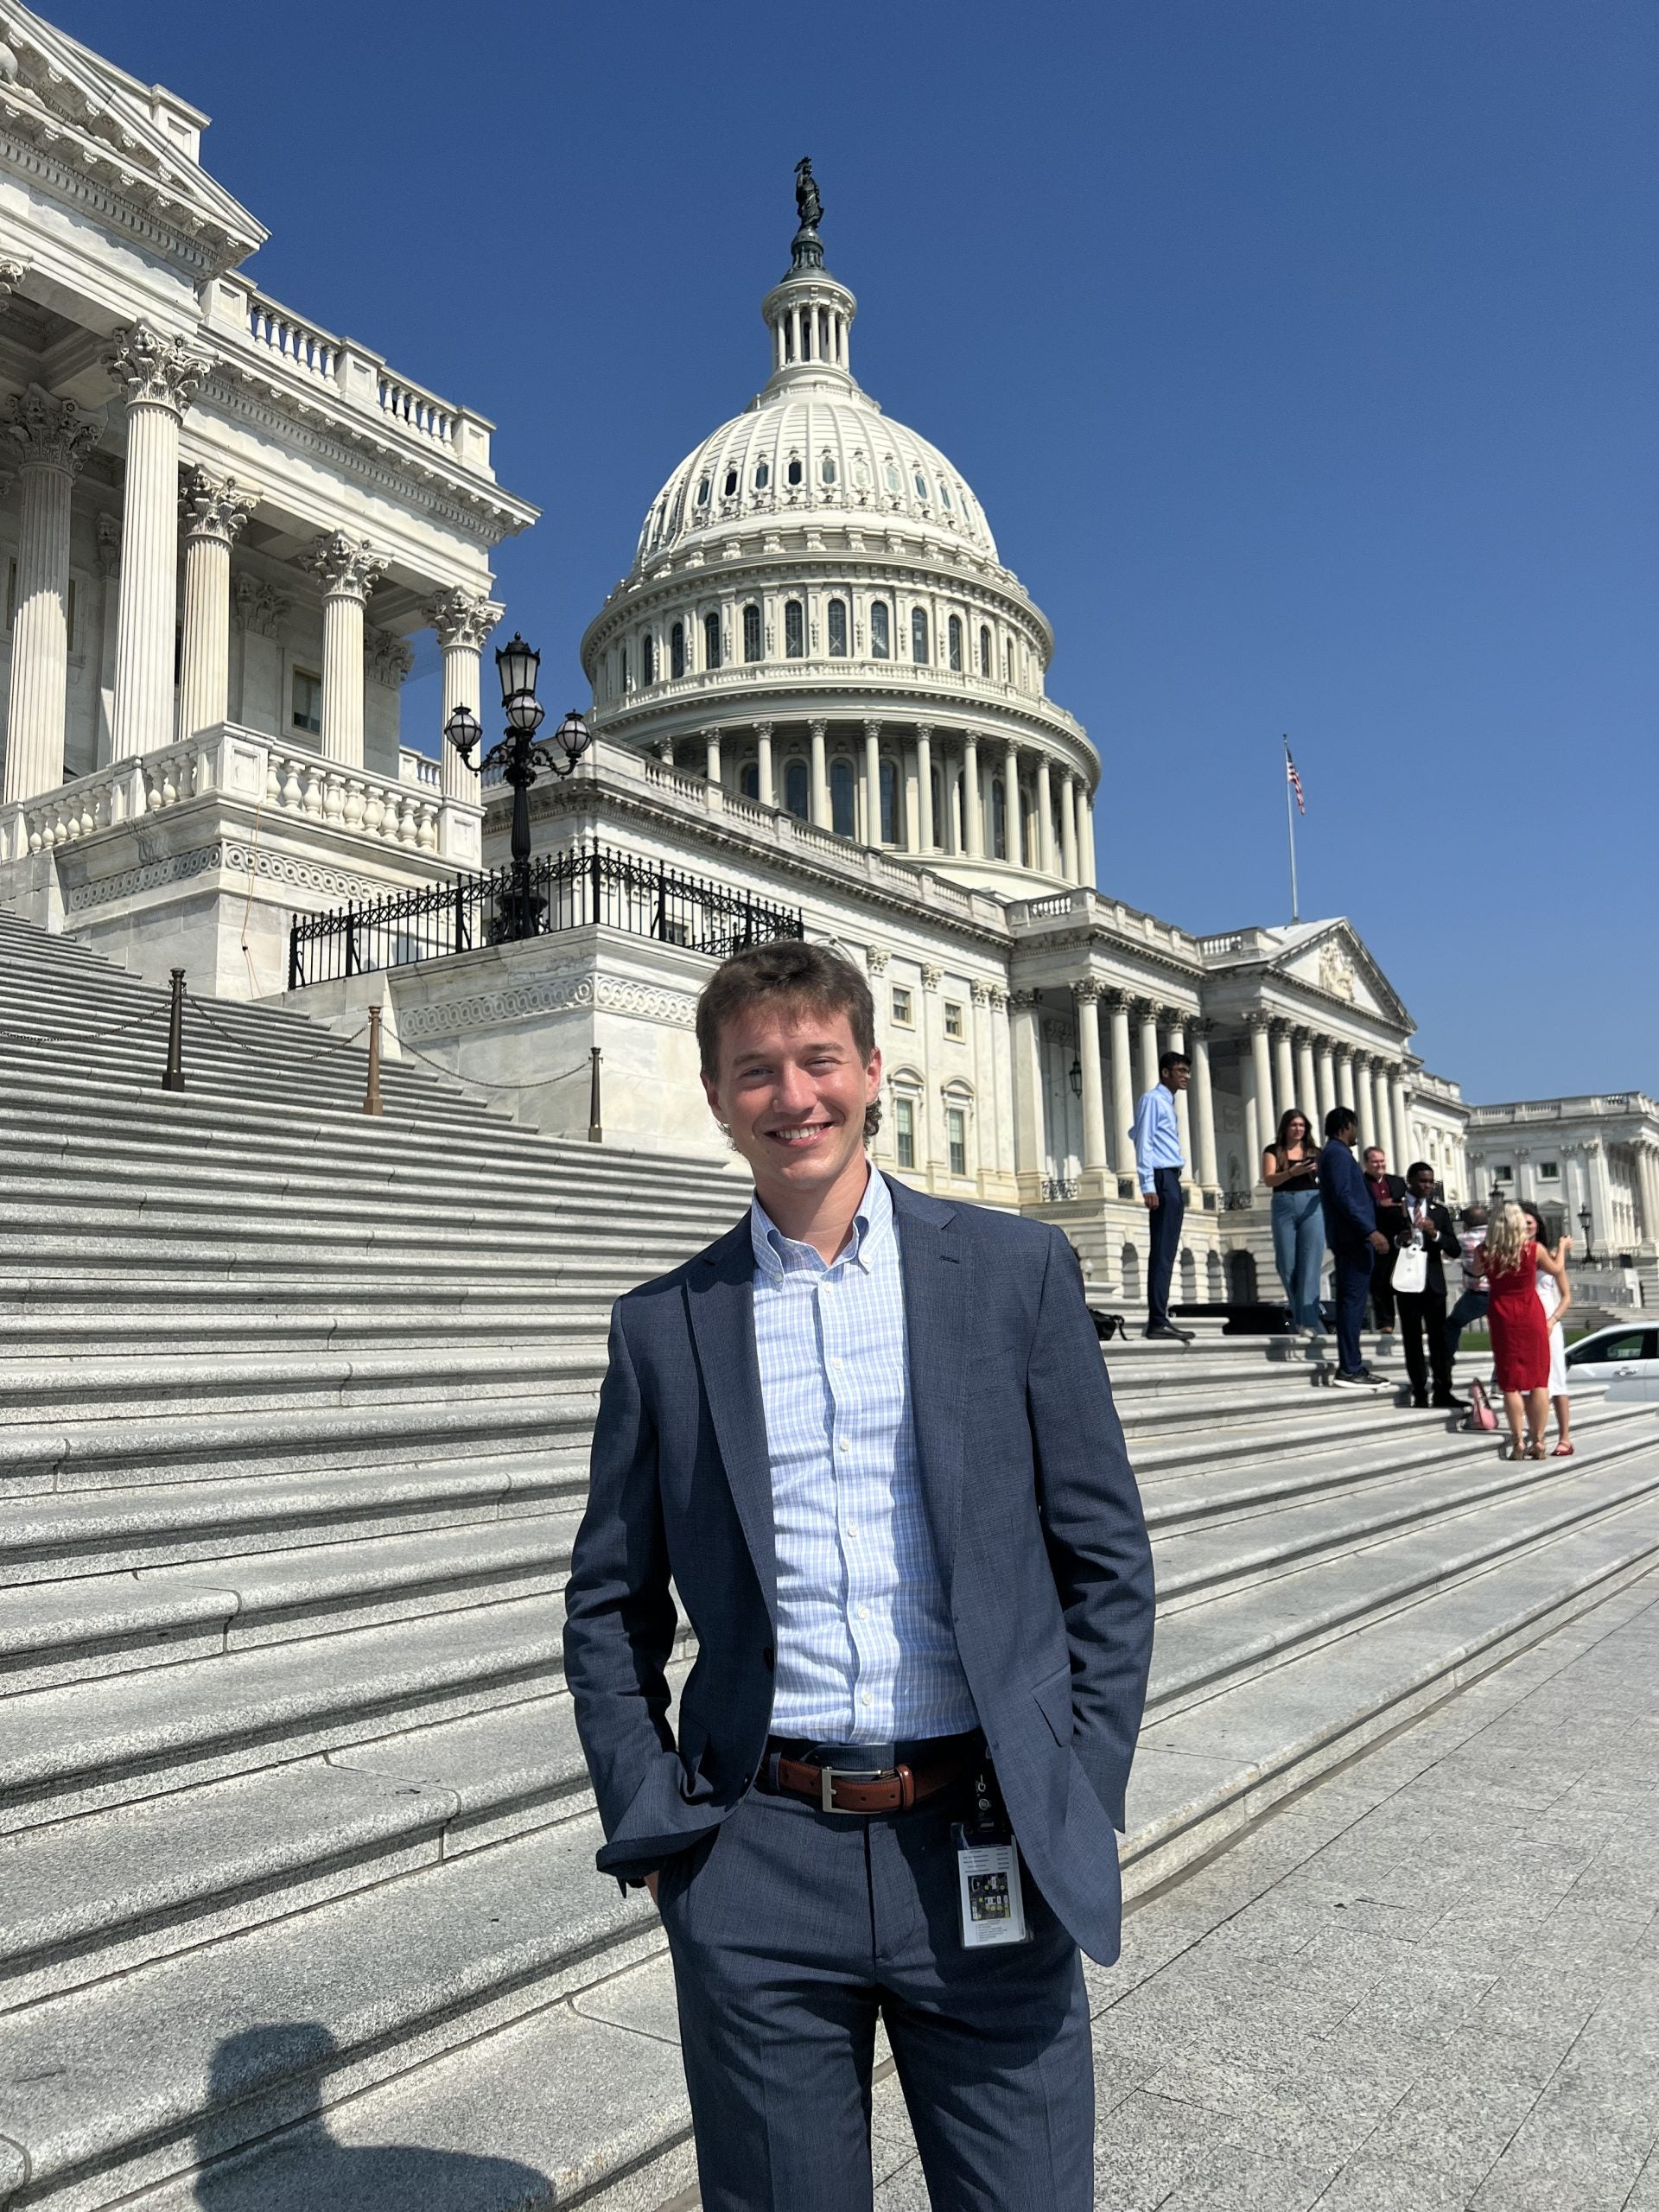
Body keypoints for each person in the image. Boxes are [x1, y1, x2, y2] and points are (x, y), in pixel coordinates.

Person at [563, 940, 1156, 2212]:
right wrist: (662, 1830)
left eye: (819, 1061)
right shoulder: (664, 1324)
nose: (795, 1098)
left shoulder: (1012, 1275)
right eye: (757, 1073)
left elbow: (1105, 1558)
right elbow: (608, 1605)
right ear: (720, 1099)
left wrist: (1077, 1781)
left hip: (984, 1829)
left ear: (874, 1071)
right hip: (760, 1855)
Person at [1476, 1200, 1569, 1460]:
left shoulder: (1485, 1251)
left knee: (1510, 1382)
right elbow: (1557, 1269)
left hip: (1501, 1311)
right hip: (1530, 1311)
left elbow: (1474, 1274)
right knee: (1539, 1379)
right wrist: (1562, 1248)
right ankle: (1538, 1441)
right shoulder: (1533, 1249)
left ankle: (1517, 1441)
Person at [1318, 1106, 1391, 1387]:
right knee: (1352, 1304)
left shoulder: (1337, 1154)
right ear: (1346, 1125)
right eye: (1355, 1126)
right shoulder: (1337, 1154)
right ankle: (1349, 1367)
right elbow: (1344, 1196)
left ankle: (1353, 1364)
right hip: (1353, 1239)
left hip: (1352, 1237)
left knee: (1355, 1304)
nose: (1356, 1132)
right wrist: (1370, 1231)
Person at [1134, 1046, 1194, 1341]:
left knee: (1168, 1251)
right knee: (1161, 1251)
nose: (1187, 1077)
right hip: (1161, 1178)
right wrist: (1147, 1184)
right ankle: (1157, 1319)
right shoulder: (1153, 1100)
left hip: (1171, 1176)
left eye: (1187, 1071)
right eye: (1181, 1071)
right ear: (1165, 1072)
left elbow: (1137, 1132)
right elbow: (1142, 1141)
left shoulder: (1166, 1103)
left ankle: (1160, 1315)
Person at [1393, 1163, 1465, 1410]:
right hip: (1407, 1281)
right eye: (1422, 1181)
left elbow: (1455, 1249)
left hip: (1433, 1283)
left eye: (1430, 1182)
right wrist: (1398, 1240)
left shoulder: (1440, 1212)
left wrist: (1434, 1234)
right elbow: (1385, 1239)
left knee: (1439, 1340)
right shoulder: (1397, 1207)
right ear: (1410, 1180)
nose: (1427, 1186)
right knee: (1411, 1339)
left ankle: (1443, 1389)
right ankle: (1419, 1391)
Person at [1262, 1106, 1323, 1335]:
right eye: (1293, 1125)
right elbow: (1269, 1180)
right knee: (1286, 1264)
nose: (1297, 1129)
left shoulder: (1315, 1152)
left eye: (1301, 1125)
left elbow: (1327, 1178)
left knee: (1310, 1262)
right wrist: (1291, 1173)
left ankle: (1307, 1319)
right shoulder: (1273, 1151)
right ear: (1285, 1128)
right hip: (1283, 1202)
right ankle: (1300, 1313)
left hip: (1312, 1203)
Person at [1521, 1203, 1576, 1455]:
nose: (1526, 1227)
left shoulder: (1549, 1254)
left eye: (1530, 1222)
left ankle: (1565, 1437)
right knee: (1529, 1382)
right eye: (1521, 1223)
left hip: (1548, 1321)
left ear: (1538, 1225)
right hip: (1524, 1320)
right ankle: (1537, 1436)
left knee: (1555, 1379)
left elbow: (1566, 1297)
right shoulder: (1516, 1253)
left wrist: (1553, 1320)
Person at [1361, 1146, 1408, 1332]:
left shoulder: (1397, 1182)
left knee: (1403, 1279)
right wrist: (1381, 1204)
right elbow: (1359, 1206)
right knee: (1380, 1283)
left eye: (1382, 1161)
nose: (1380, 1165)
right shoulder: (1361, 1182)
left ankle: (1410, 1319)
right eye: (1375, 1161)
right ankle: (1385, 1323)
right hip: (1374, 1236)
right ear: (1366, 1163)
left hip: (1398, 1237)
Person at [1443, 1203, 1491, 1367]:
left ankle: (1447, 1358)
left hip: (1477, 1293)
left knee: (1452, 1324)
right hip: (1500, 1291)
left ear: (1466, 1223)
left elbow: (1447, 1256)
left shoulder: (1463, 1239)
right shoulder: (1497, 1236)